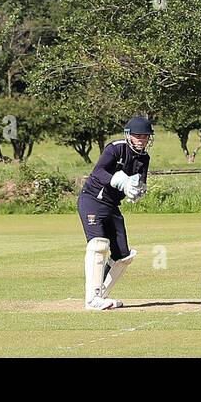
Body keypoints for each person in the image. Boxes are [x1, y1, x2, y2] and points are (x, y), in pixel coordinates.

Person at [78, 116, 152, 311]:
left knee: (123, 255)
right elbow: (99, 171)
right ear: (128, 136)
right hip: (92, 200)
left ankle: (99, 296)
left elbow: (141, 182)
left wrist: (137, 191)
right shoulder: (115, 148)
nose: (141, 140)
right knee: (98, 245)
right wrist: (121, 181)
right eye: (138, 136)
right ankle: (92, 299)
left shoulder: (144, 158)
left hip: (112, 206)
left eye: (145, 137)